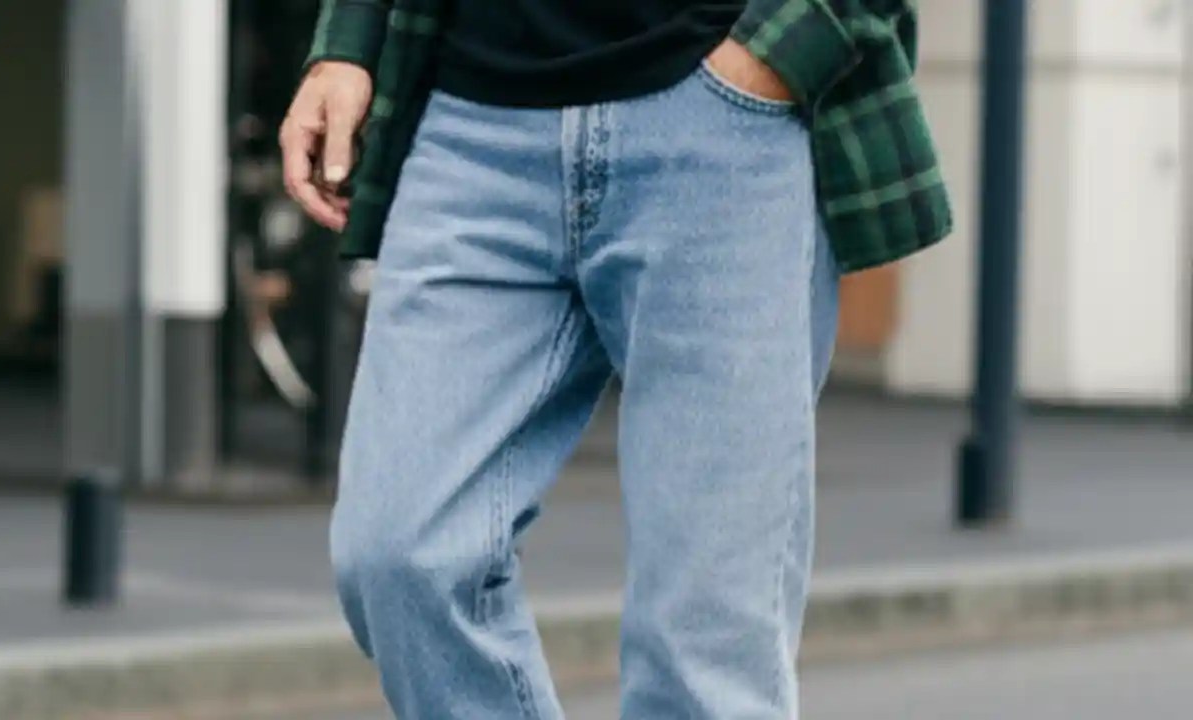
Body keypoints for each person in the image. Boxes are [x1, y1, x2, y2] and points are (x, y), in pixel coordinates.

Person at [280, 0, 950, 717]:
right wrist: (347, 45)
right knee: (398, 555)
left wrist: (779, 52)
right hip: (472, 126)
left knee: (703, 651)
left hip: (724, 129)